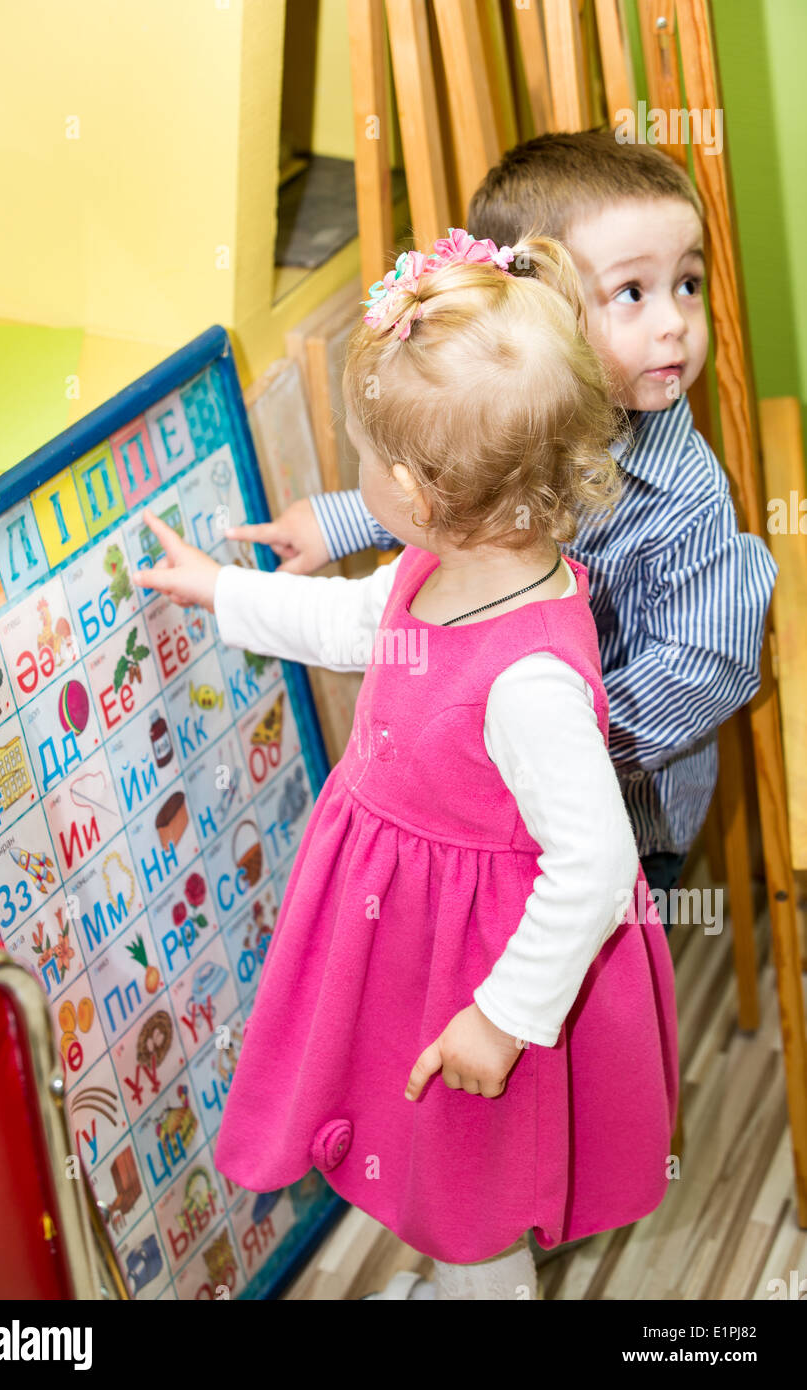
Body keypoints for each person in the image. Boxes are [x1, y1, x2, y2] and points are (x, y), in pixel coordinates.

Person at [133, 228, 679, 1301]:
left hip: (479, 963)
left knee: (472, 1188)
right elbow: (352, 620)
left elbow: (596, 861)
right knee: (424, 1150)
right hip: (406, 934)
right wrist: (223, 593)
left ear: (424, 494)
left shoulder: (525, 682)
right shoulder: (442, 562)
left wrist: (502, 1013)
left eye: (363, 458)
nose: (353, 473)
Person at [225, 129, 778, 938]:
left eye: (687, 284)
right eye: (634, 293)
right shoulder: (524, 417)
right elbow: (461, 491)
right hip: (498, 804)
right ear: (540, 310)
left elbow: (711, 668)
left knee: (585, 993)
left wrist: (540, 745)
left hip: (619, 820)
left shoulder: (687, 500)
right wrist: (340, 520)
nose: (676, 325)